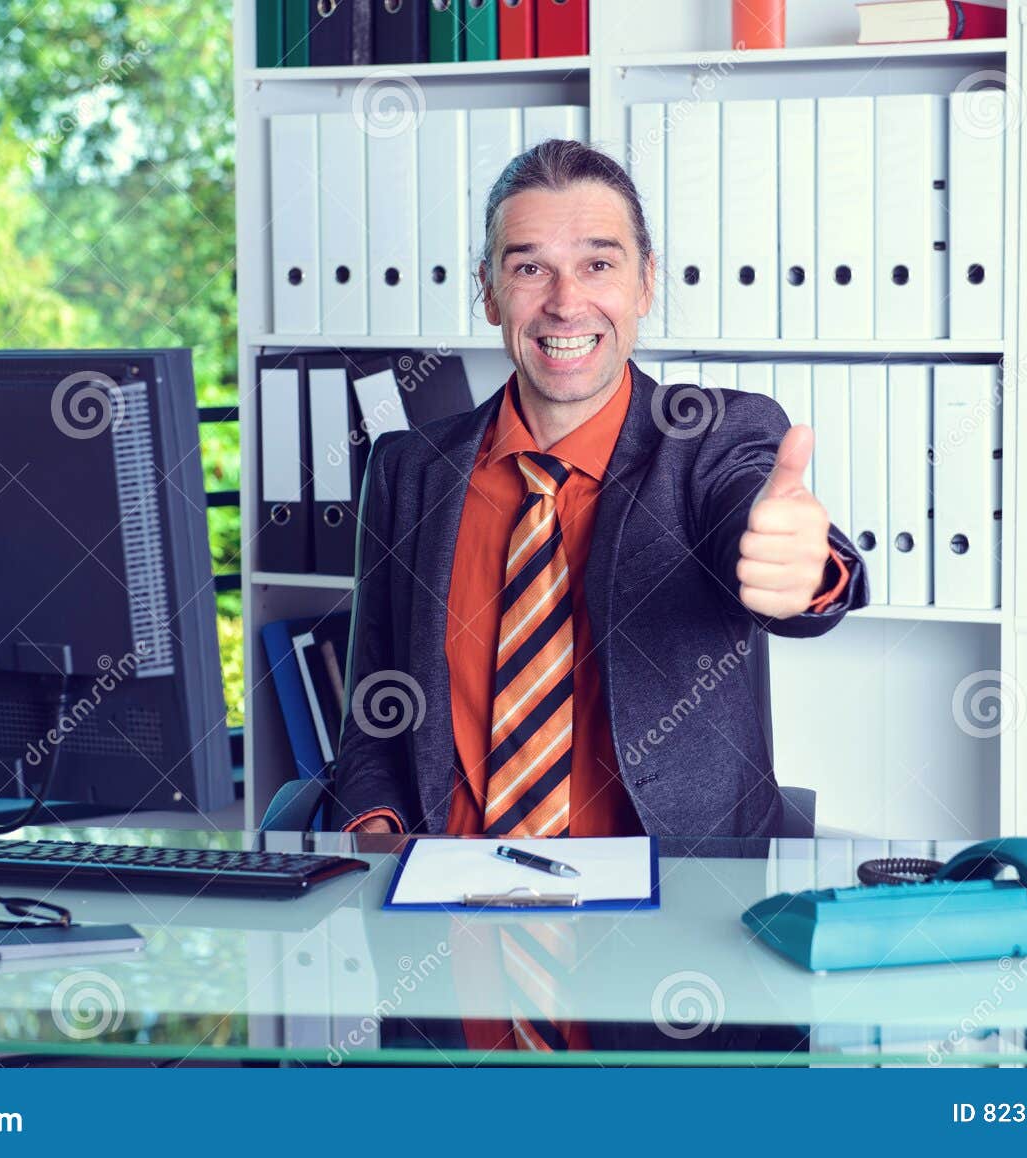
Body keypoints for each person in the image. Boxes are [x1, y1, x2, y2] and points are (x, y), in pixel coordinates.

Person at [333, 138, 867, 838]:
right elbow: (375, 705)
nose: (566, 302)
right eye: (530, 267)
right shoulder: (408, 468)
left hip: (665, 909)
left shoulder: (713, 439)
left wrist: (805, 570)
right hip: (445, 899)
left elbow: (758, 519)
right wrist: (372, 836)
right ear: (488, 292)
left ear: (645, 282)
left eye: (598, 264)